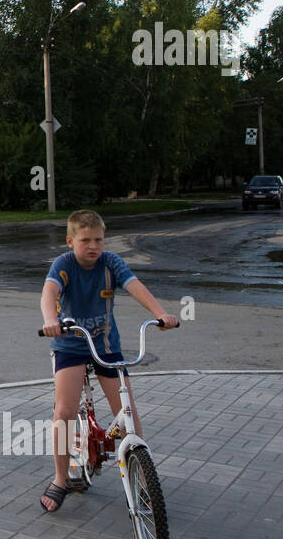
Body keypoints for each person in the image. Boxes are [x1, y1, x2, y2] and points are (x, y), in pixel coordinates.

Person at [38, 210, 179, 512]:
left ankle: (143, 478)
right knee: (63, 411)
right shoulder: (64, 264)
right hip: (71, 344)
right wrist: (51, 319)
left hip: (105, 345)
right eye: (85, 240)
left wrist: (159, 313)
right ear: (70, 240)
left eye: (98, 239)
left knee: (127, 410)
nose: (93, 246)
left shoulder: (110, 262)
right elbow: (49, 292)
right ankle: (62, 478)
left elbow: (135, 286)